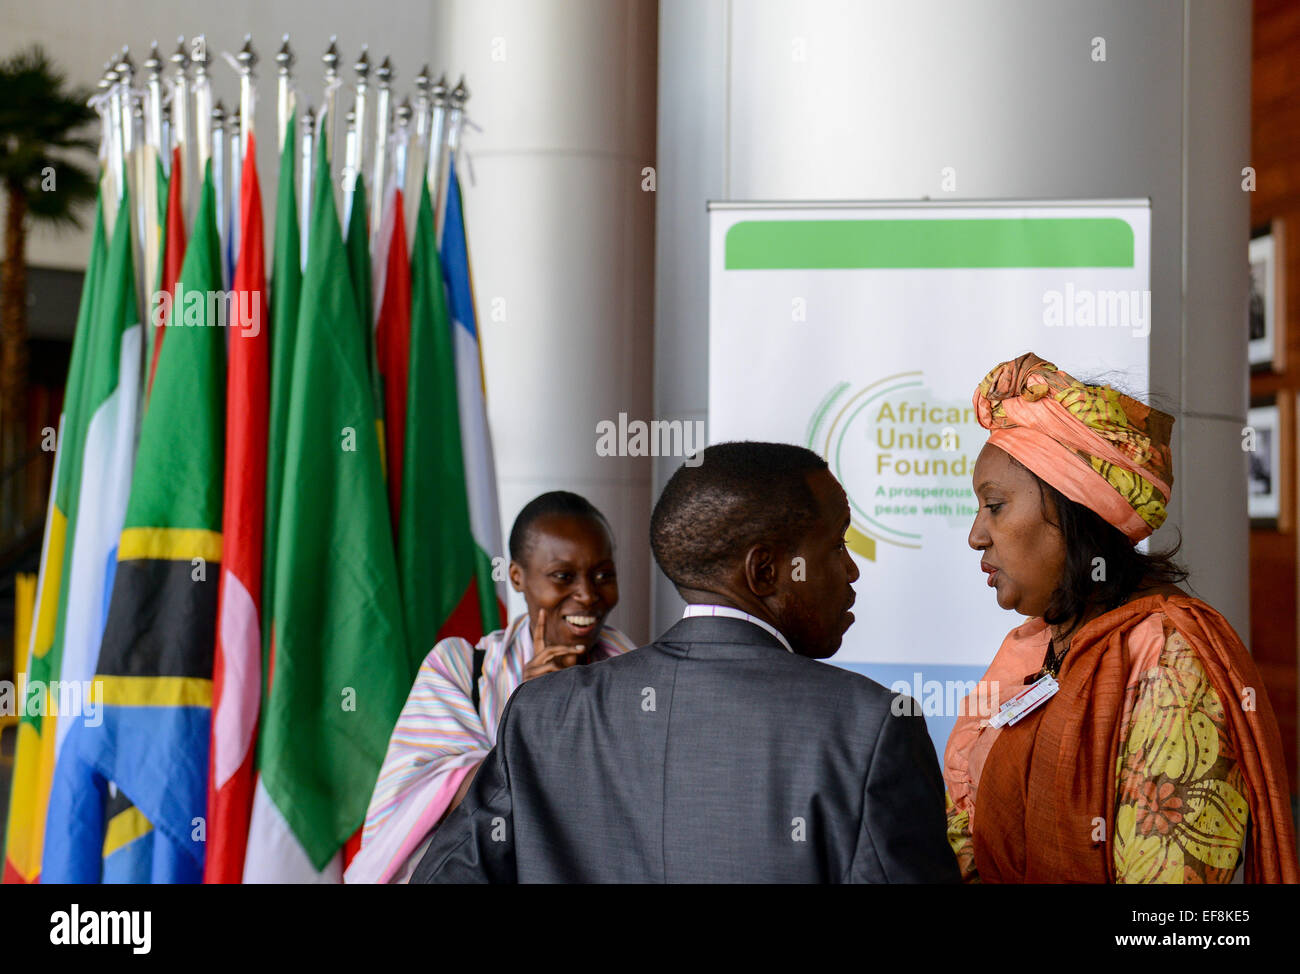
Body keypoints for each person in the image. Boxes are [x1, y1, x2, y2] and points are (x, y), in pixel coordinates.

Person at [412, 441, 960, 883]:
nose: (852, 570)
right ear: (765, 571)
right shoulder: (873, 727)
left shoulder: (540, 716)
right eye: (837, 545)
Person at [946, 352, 1299, 883]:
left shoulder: (1168, 662)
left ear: (1072, 510)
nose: (976, 535)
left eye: (994, 506)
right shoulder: (1038, 642)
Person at [343, 491, 636, 884]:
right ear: (517, 576)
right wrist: (532, 717)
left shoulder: (635, 673)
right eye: (563, 577)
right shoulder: (462, 668)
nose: (587, 594)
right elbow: (425, 800)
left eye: (603, 575)